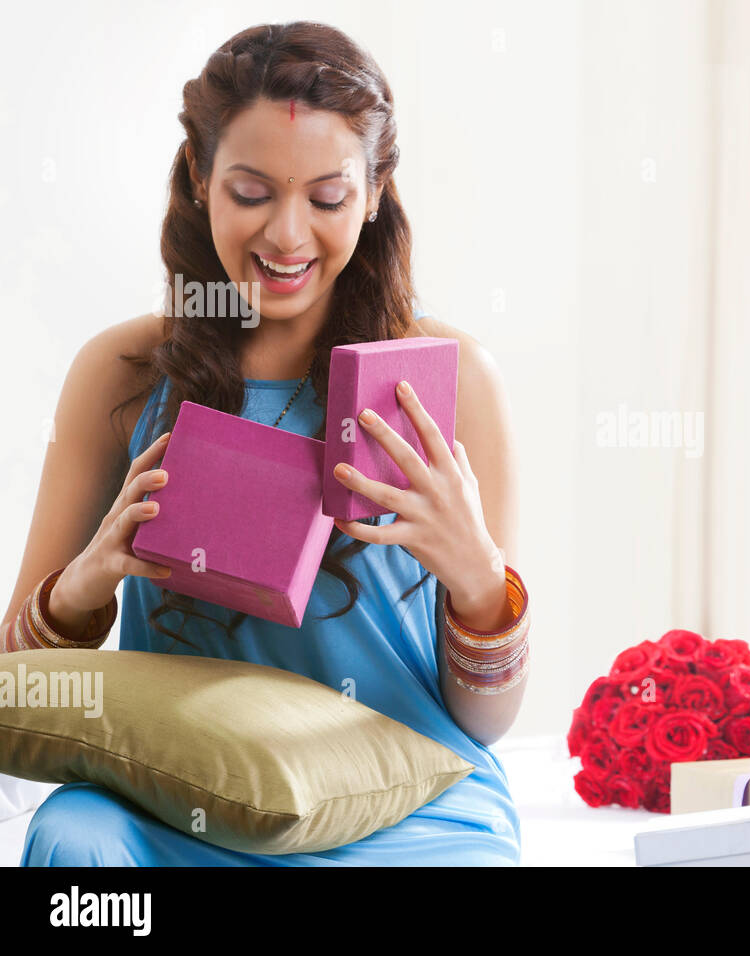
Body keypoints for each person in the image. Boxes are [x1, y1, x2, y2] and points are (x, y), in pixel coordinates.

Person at [0, 21, 528, 865]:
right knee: (74, 840)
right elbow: (15, 681)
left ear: (377, 190)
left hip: (407, 800)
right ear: (201, 177)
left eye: (327, 199)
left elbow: (487, 721)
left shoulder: (455, 380)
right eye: (252, 193)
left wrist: (477, 582)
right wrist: (82, 587)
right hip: (179, 801)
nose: (287, 236)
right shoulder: (122, 373)